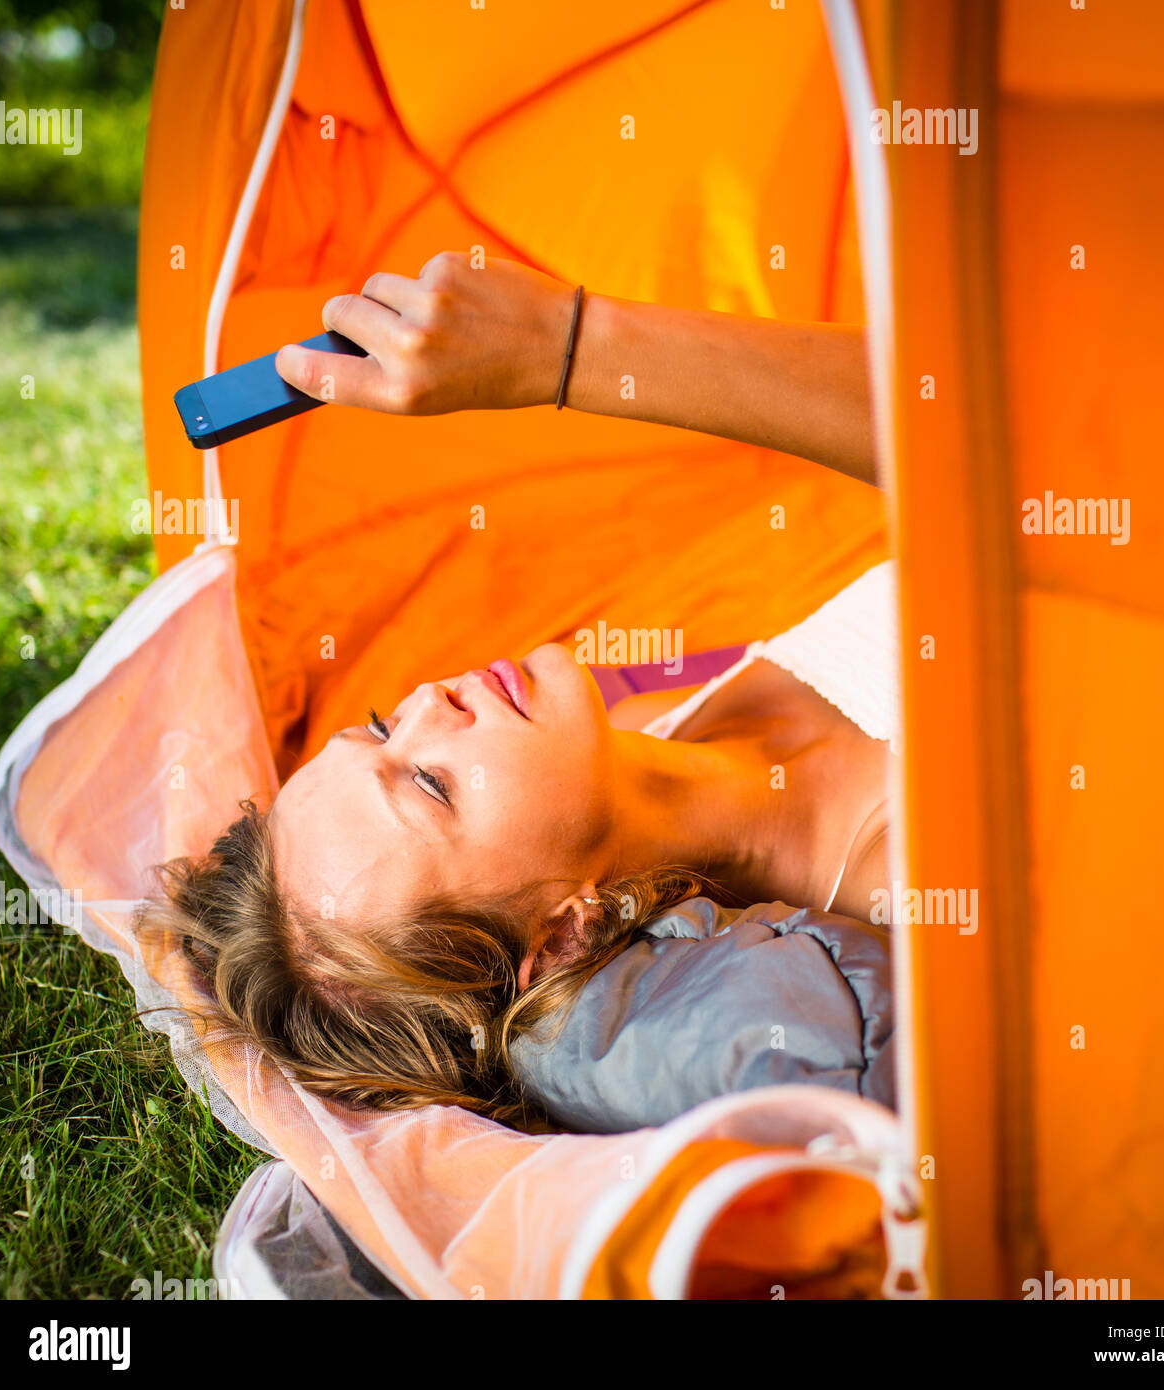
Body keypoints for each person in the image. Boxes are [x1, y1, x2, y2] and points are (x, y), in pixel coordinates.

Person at [149, 253, 894, 1126]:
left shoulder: (651, 717)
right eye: (431, 784)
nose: (430, 703)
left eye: (384, 728)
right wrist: (567, 348)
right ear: (562, 936)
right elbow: (1047, 455)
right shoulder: (903, 865)